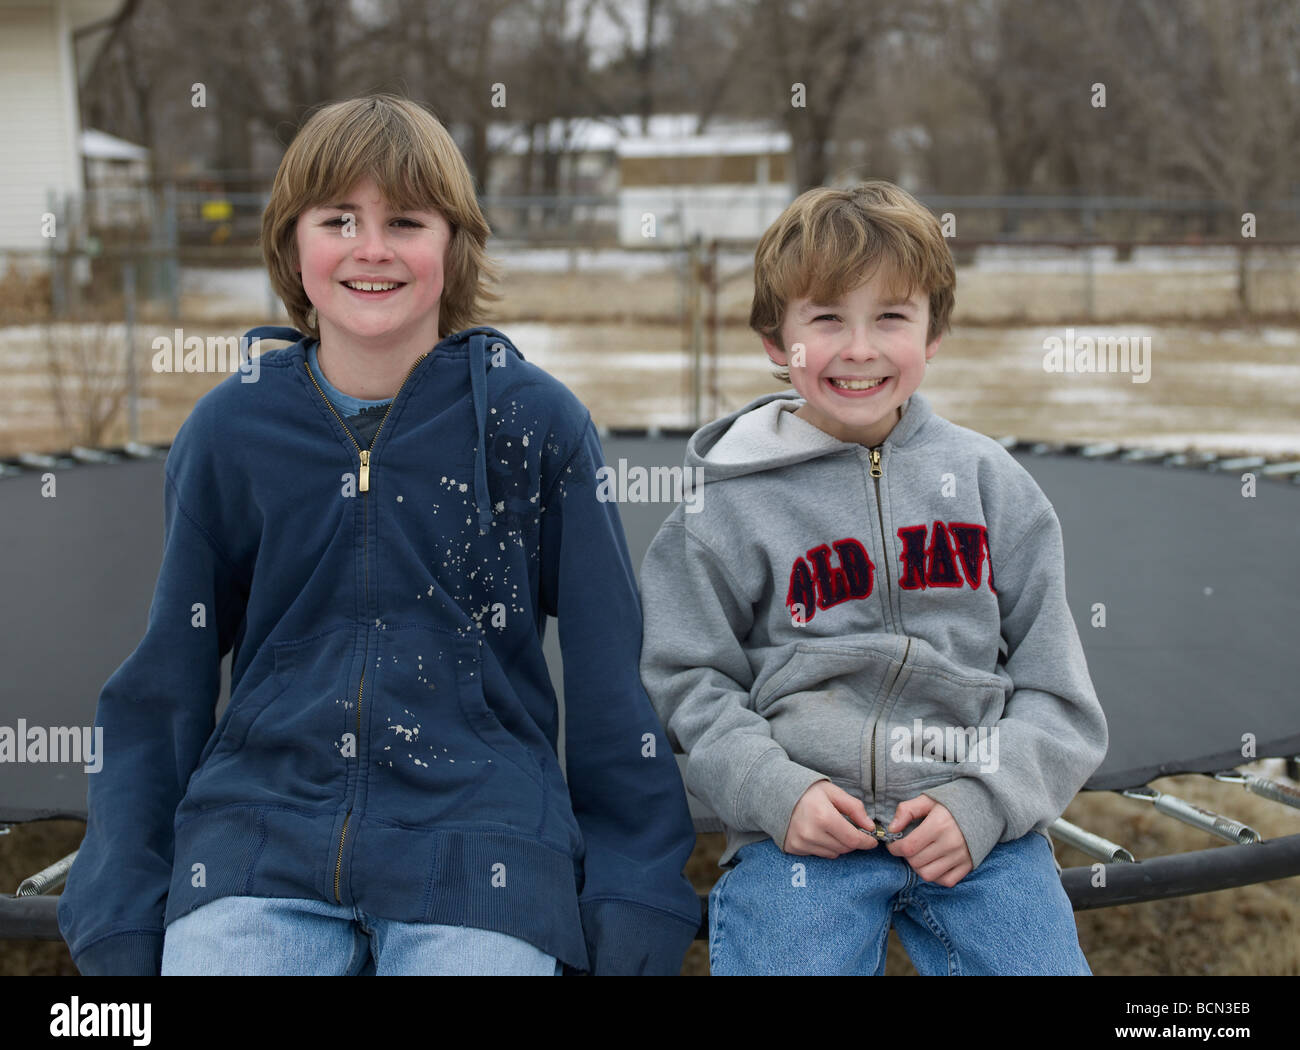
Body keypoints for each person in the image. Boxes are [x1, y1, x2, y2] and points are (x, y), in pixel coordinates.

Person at [58, 93, 701, 976]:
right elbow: (163, 683)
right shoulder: (233, 430)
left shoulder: (531, 425)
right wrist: (123, 906)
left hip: (481, 846)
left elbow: (611, 676)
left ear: (453, 245)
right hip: (257, 842)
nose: (372, 248)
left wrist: (633, 895)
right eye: (339, 220)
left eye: (405, 220)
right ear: (293, 243)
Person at [638, 180, 1109, 976]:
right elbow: (688, 681)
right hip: (807, 833)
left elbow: (1058, 694)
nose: (859, 349)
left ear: (934, 333)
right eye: (827, 319)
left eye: (891, 316)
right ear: (775, 340)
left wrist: (986, 801)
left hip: (977, 829)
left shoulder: (992, 484)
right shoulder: (723, 505)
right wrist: (774, 791)